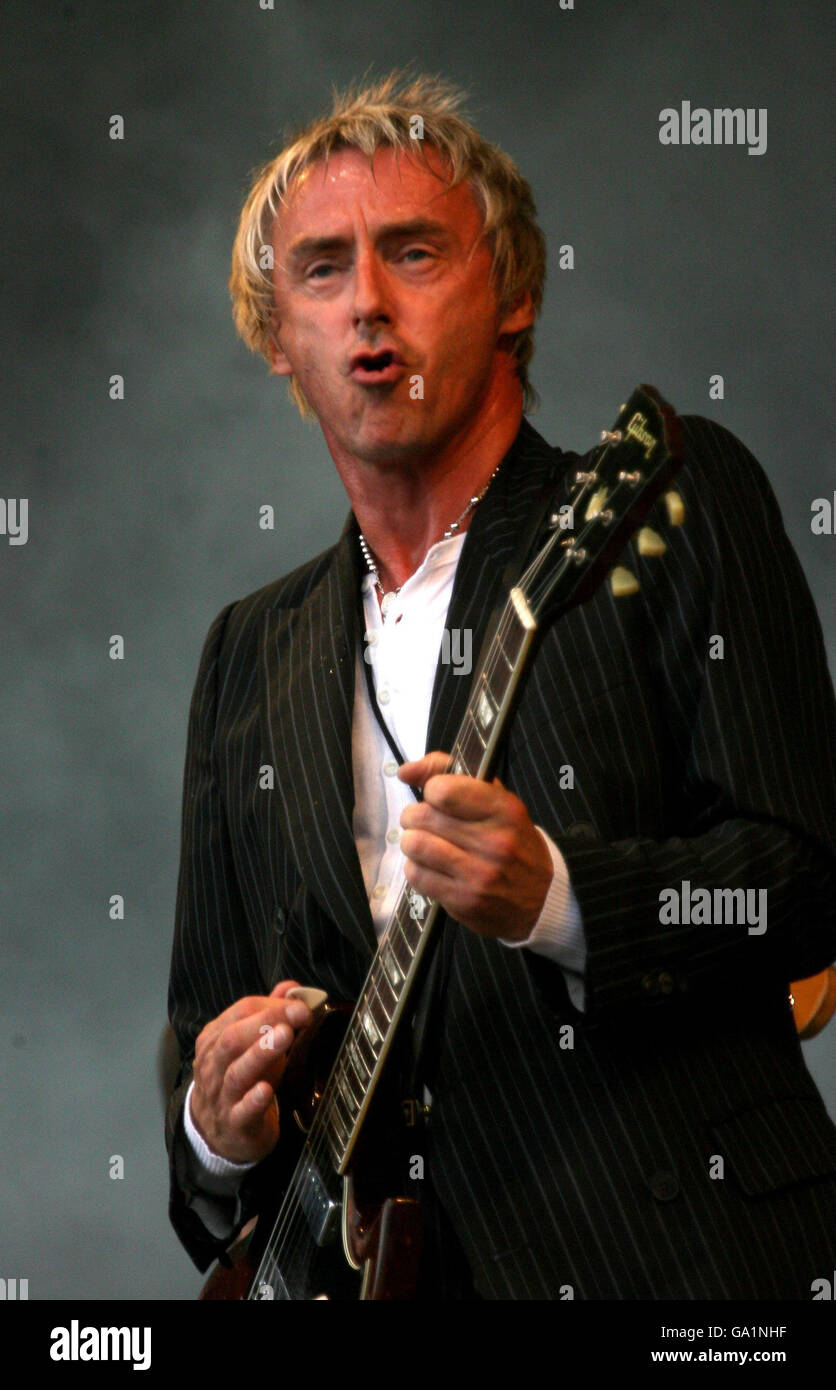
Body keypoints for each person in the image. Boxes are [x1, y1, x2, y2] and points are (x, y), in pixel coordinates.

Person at [166, 69, 836, 1299]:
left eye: (411, 253)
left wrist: (560, 897)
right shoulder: (245, 655)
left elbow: (807, 882)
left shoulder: (661, 506)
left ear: (513, 291)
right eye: (319, 268)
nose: (366, 301)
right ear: (277, 337)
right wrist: (217, 1126)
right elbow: (202, 1069)